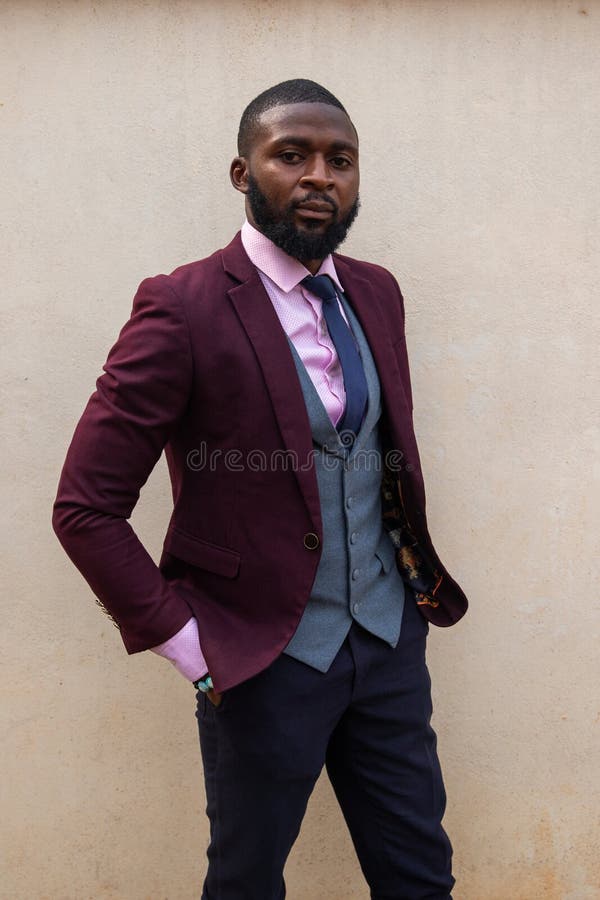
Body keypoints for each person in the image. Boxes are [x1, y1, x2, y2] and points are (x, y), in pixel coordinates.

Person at [53, 79, 468, 900]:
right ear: (243, 174)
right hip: (258, 658)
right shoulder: (182, 308)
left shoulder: (377, 292)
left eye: (339, 160)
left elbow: (370, 453)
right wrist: (185, 641)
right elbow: (84, 507)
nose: (320, 175)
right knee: (246, 883)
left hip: (387, 643)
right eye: (292, 155)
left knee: (421, 876)